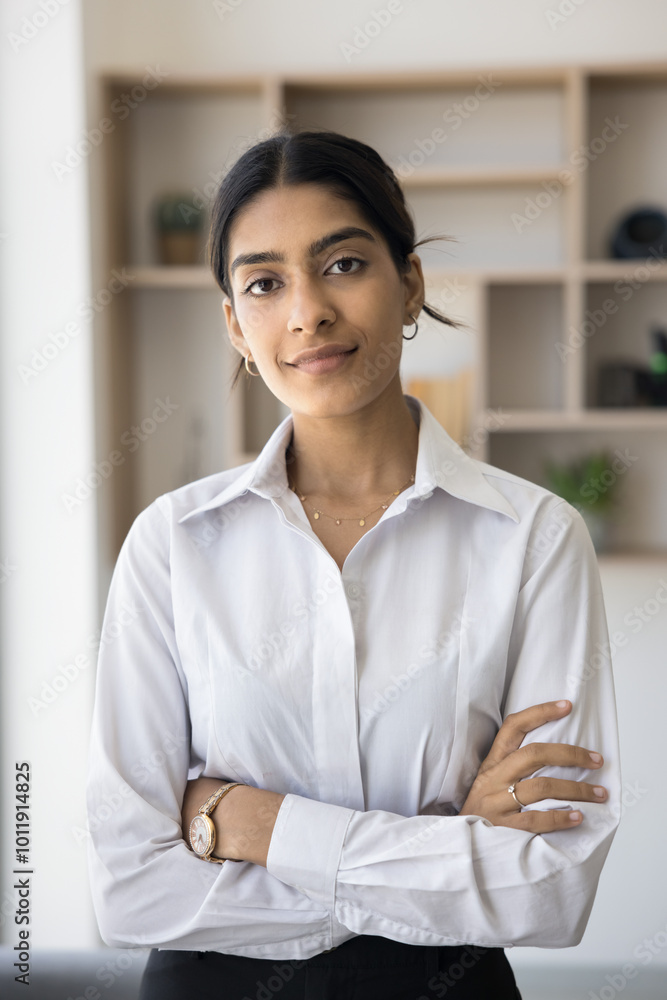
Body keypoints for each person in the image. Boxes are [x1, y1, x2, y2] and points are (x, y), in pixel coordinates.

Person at [86, 129, 621, 1000]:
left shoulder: (533, 538)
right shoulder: (173, 543)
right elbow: (131, 887)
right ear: (234, 323)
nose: (306, 312)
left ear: (408, 282)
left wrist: (249, 822)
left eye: (341, 265)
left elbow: (549, 888)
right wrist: (444, 847)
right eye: (264, 283)